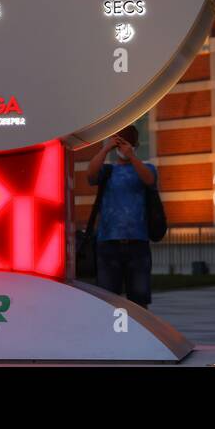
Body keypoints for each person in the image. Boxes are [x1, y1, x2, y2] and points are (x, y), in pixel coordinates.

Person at [85, 124, 158, 308]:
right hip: (108, 243)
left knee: (139, 299)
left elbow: (149, 180)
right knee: (108, 299)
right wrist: (106, 148)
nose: (124, 149)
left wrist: (132, 157)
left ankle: (138, 333)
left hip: (137, 242)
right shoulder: (108, 171)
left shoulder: (146, 168)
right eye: (121, 145)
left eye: (128, 145)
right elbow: (91, 175)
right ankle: (112, 333)